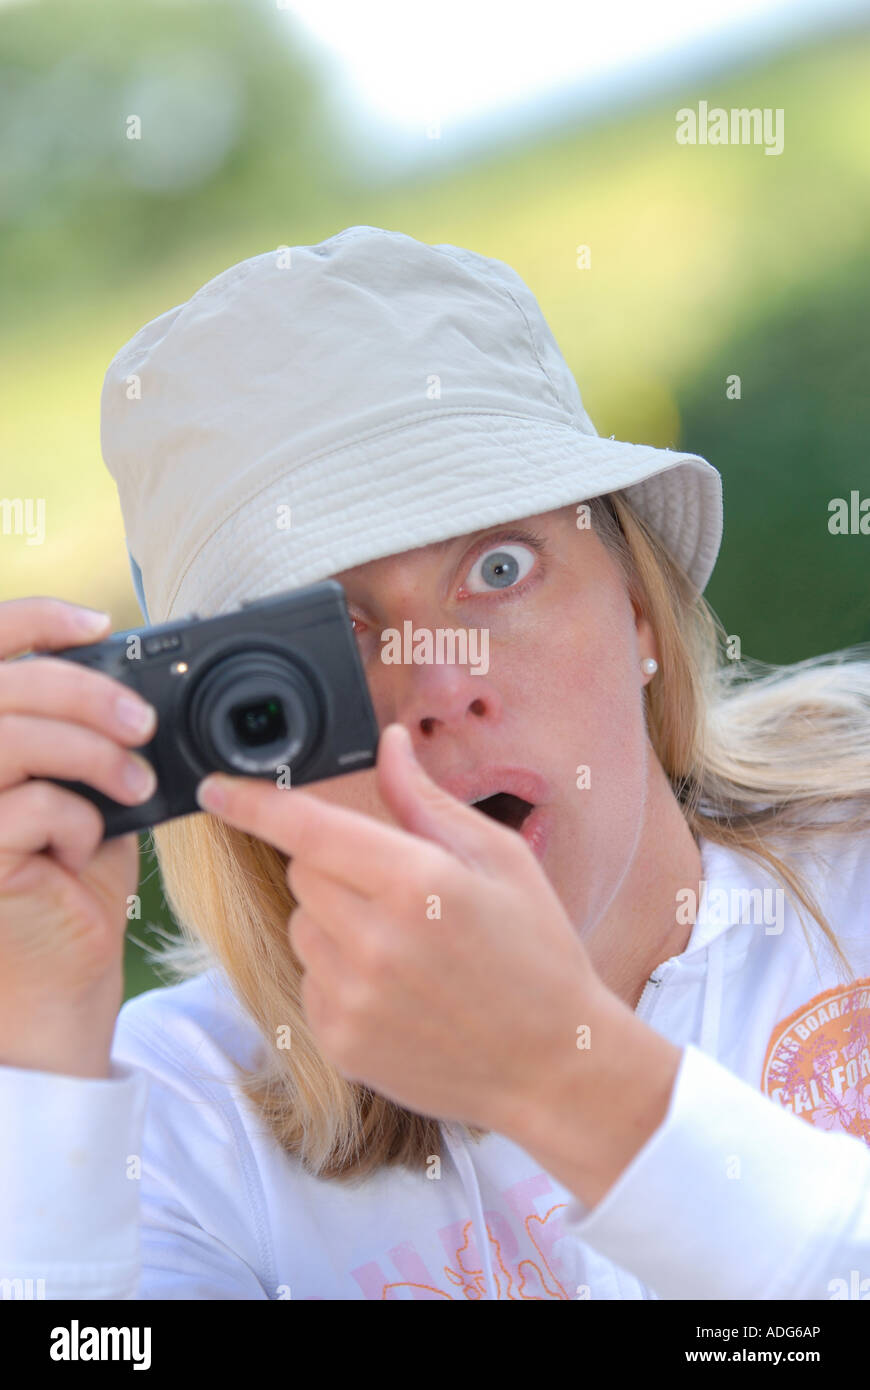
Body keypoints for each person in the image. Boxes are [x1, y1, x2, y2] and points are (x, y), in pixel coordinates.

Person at [1, 225, 869, 1302]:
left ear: (640, 606)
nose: (438, 687)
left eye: (499, 567)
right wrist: (40, 1047)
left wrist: (573, 1080)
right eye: (330, 634)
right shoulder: (182, 1121)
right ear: (226, 742)